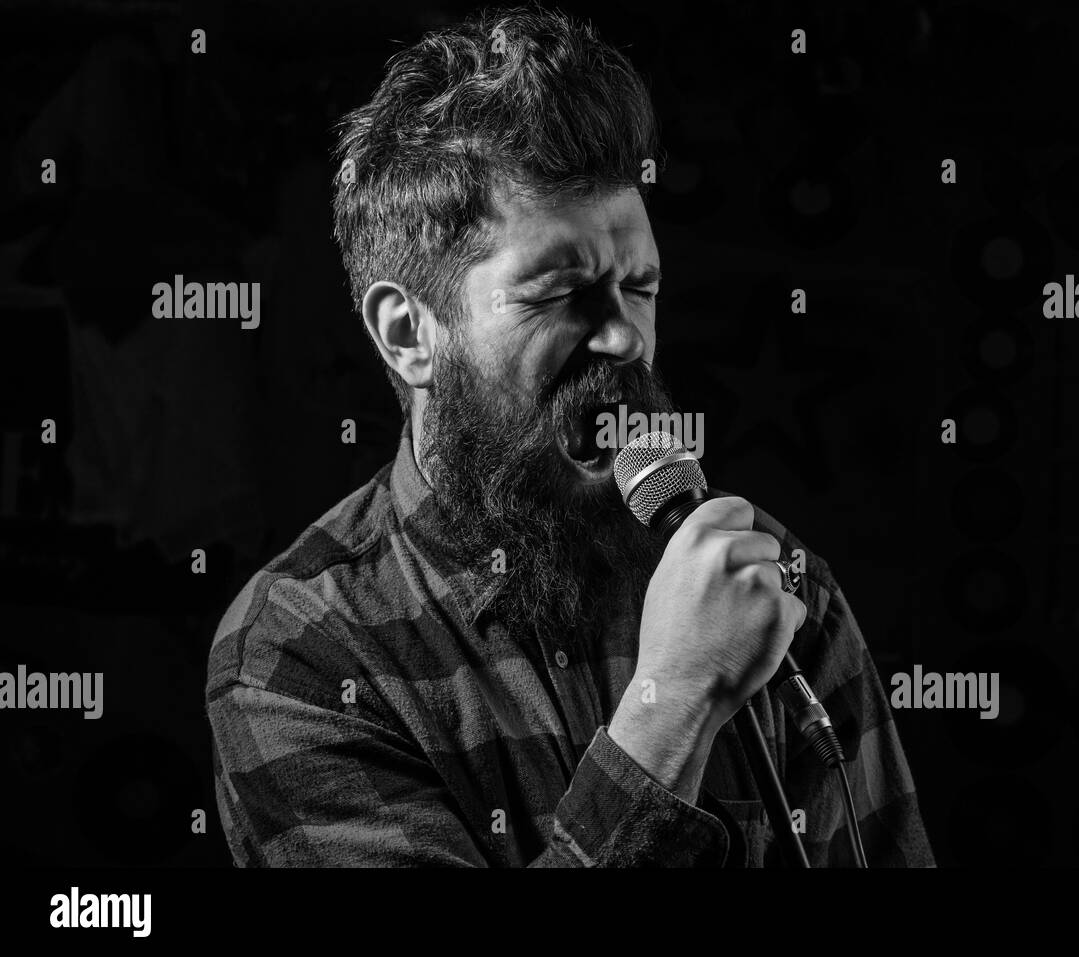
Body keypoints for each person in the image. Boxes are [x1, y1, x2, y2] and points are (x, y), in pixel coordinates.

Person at [205, 4, 934, 867]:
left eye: (642, 287)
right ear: (409, 333)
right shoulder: (302, 653)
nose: (624, 337)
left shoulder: (772, 588)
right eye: (560, 293)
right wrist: (676, 706)